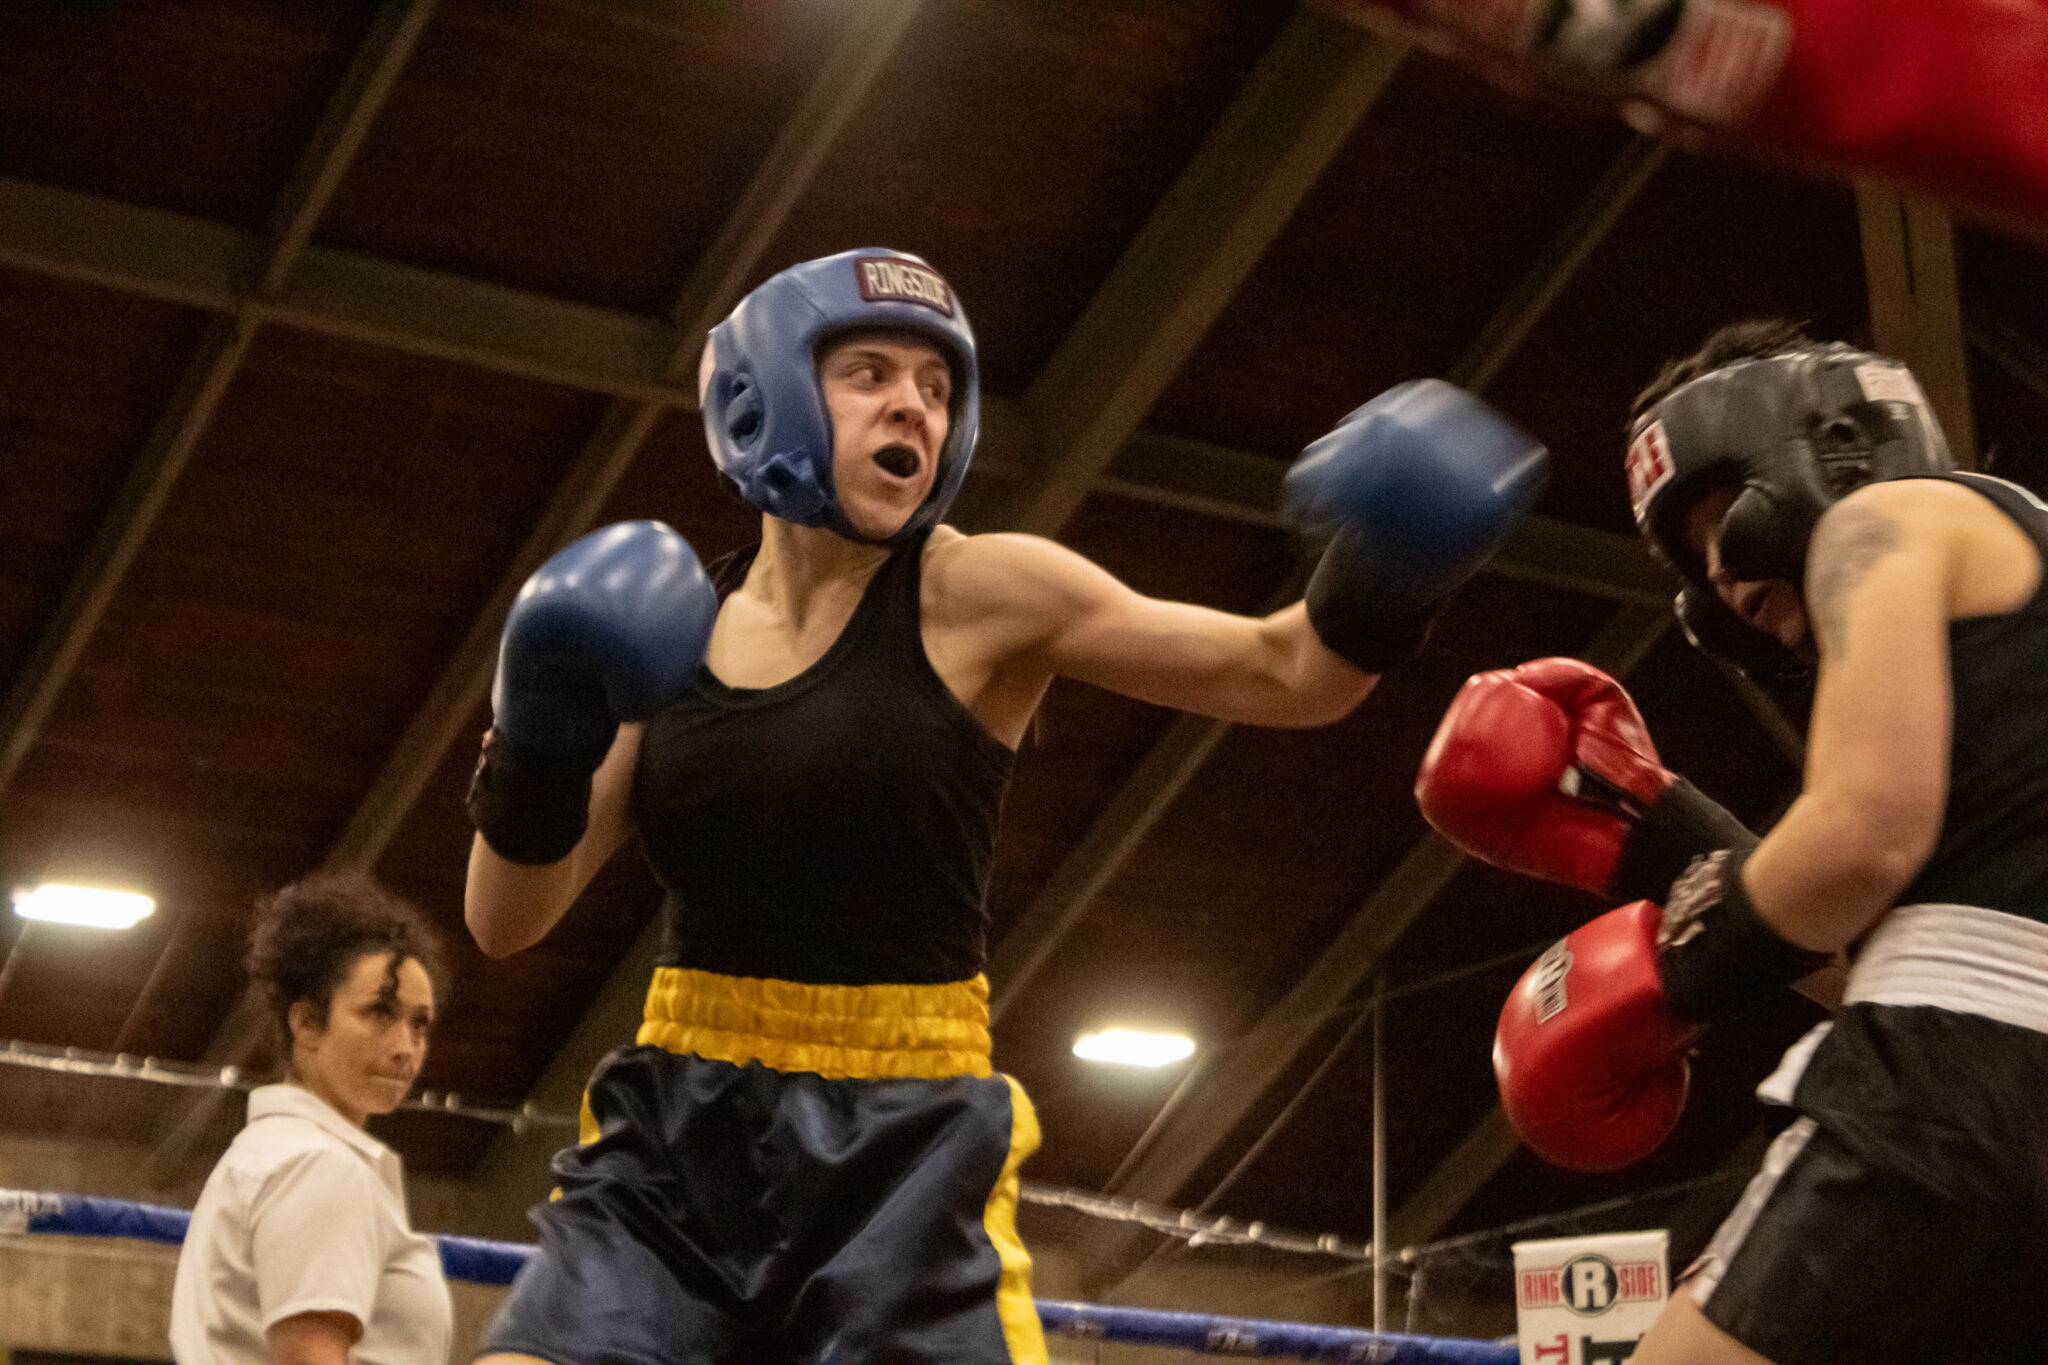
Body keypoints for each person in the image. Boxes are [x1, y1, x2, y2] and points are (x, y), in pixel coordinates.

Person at [462, 247, 1547, 1365]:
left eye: (936, 389)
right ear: (762, 393)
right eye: (869, 372)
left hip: (903, 1144)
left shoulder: (980, 592)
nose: (911, 408)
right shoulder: (664, 627)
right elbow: (507, 918)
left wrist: (1390, 568)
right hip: (679, 1128)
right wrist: (538, 732)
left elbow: (1286, 672)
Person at [1417, 320, 2048, 1364]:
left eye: (1722, 519)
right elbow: (1947, 941)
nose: (1723, 578)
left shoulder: (1879, 520)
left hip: (1944, 1097)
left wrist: (1672, 977)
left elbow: (1859, 837)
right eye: (1697, 560)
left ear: (1836, 445)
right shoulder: (2014, 593)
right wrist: (1657, 838)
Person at [170, 873, 451, 1365]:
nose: (406, 1048)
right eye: (379, 1014)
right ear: (306, 1023)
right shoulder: (317, 1165)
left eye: (419, 1023)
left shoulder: (278, 1153)